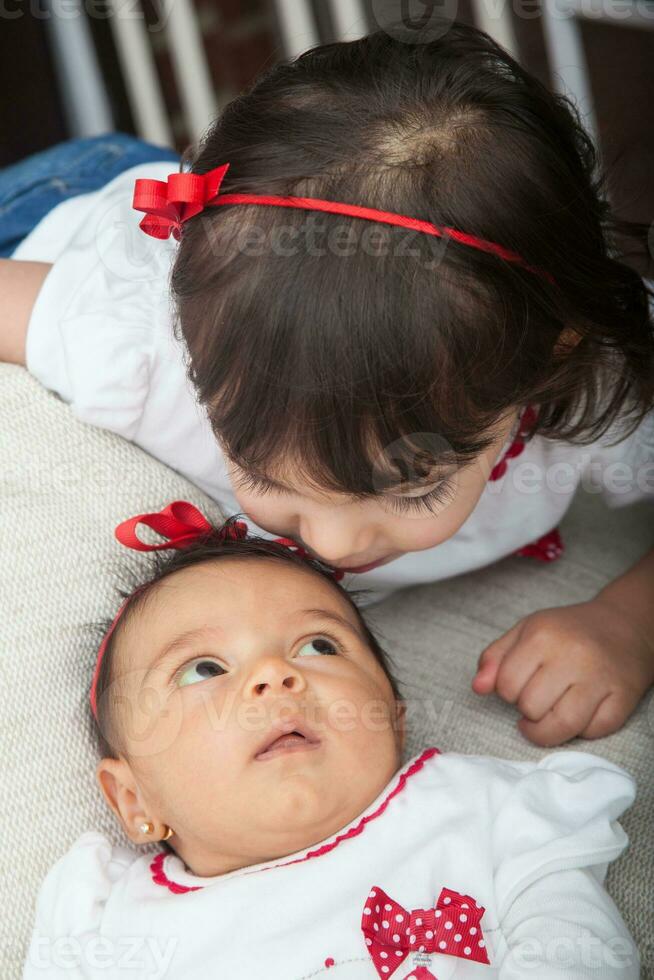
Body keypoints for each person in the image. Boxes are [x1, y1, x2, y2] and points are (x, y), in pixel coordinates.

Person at [2, 23, 653, 749]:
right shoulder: (133, 344)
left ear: (548, 365)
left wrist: (629, 622)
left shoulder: (595, 382)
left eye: (412, 488)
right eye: (257, 465)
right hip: (58, 208)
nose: (334, 542)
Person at [22, 501, 639, 979]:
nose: (274, 675)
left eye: (318, 646)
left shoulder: (481, 809)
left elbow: (579, 948)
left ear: (393, 720)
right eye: (204, 669)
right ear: (134, 801)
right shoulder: (110, 922)